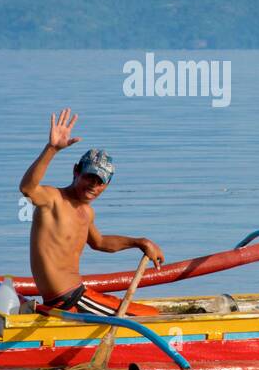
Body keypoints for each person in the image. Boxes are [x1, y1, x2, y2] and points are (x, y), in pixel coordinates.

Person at [18, 108, 164, 317]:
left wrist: (140, 242)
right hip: (69, 298)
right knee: (151, 317)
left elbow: (100, 242)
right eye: (89, 178)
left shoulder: (87, 212)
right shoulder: (53, 199)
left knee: (146, 311)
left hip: (79, 294)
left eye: (100, 182)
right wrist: (52, 149)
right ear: (76, 172)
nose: (93, 186)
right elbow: (27, 188)